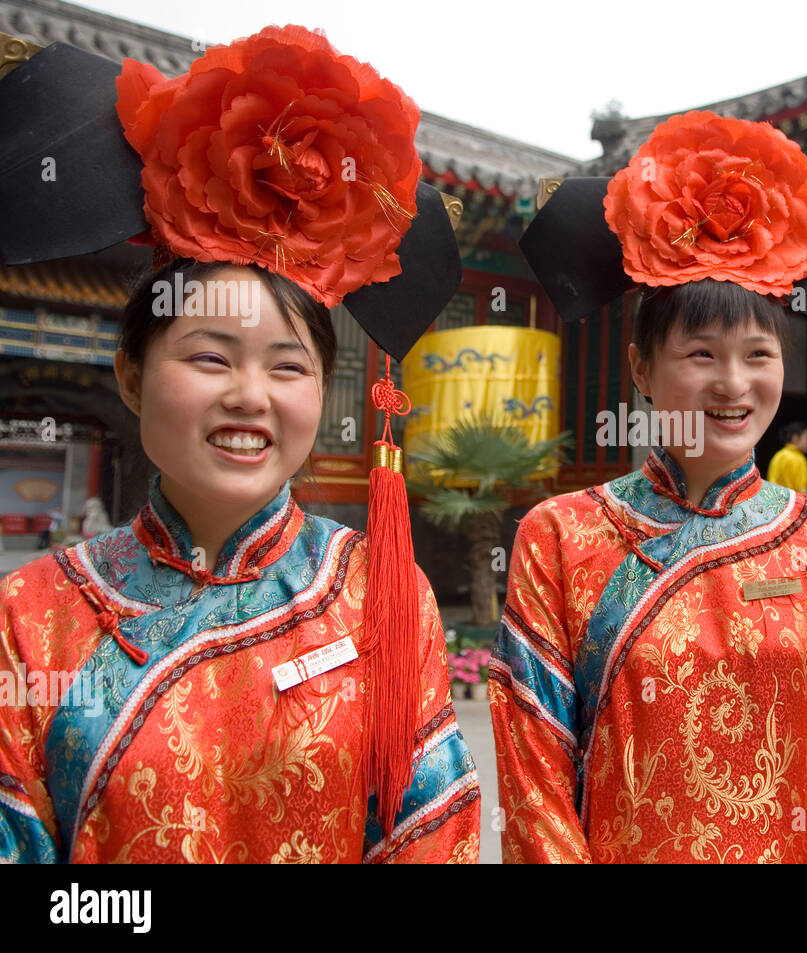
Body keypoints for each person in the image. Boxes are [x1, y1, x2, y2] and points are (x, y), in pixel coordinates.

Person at [0, 25, 478, 863]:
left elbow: (426, 834)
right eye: (210, 356)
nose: (249, 395)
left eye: (287, 366)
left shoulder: (382, 595)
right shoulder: (30, 616)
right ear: (132, 376)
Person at [490, 110, 807, 863]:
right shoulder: (560, 535)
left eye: (758, 353)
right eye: (702, 353)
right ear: (642, 369)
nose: (734, 382)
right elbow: (534, 780)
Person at [767, 421, 807, 495]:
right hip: (793, 503)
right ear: (795, 438)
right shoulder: (799, 459)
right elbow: (803, 490)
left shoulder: (778, 456)